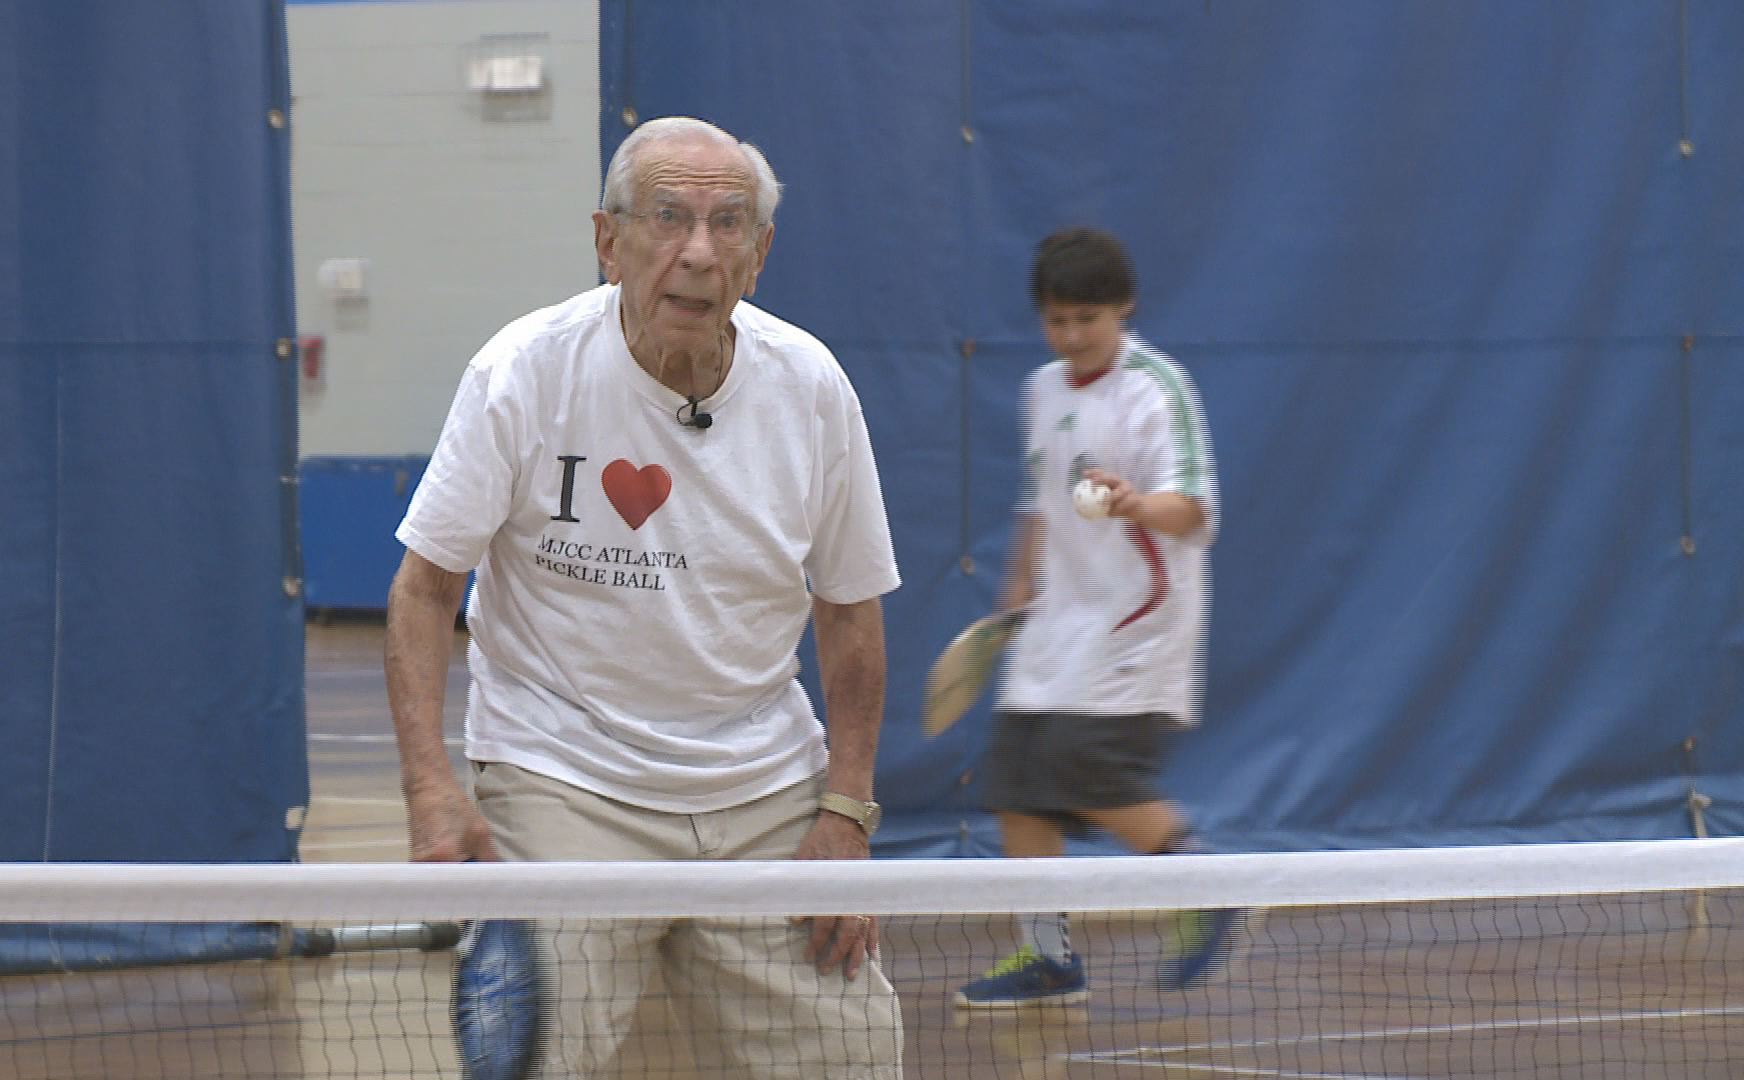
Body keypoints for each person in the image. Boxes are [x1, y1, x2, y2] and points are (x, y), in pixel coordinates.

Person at [385, 116, 904, 1076]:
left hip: (764, 794)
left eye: (727, 223)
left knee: (856, 1056)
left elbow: (850, 612)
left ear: (760, 255)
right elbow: (425, 590)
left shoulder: (812, 388)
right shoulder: (522, 371)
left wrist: (846, 811)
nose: (697, 252)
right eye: (667, 217)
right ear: (608, 241)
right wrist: (431, 789)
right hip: (563, 778)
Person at [955, 227, 1239, 1008]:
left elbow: (1194, 509)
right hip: (1056, 619)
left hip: (1137, 617)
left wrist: (1134, 504)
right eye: (1057, 320)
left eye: (1088, 318)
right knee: (1016, 781)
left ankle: (1206, 884)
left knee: (1084, 766)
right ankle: (1049, 959)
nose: (1073, 335)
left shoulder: (1156, 388)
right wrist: (1018, 586)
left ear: (1124, 308)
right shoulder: (1042, 389)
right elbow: (1037, 498)